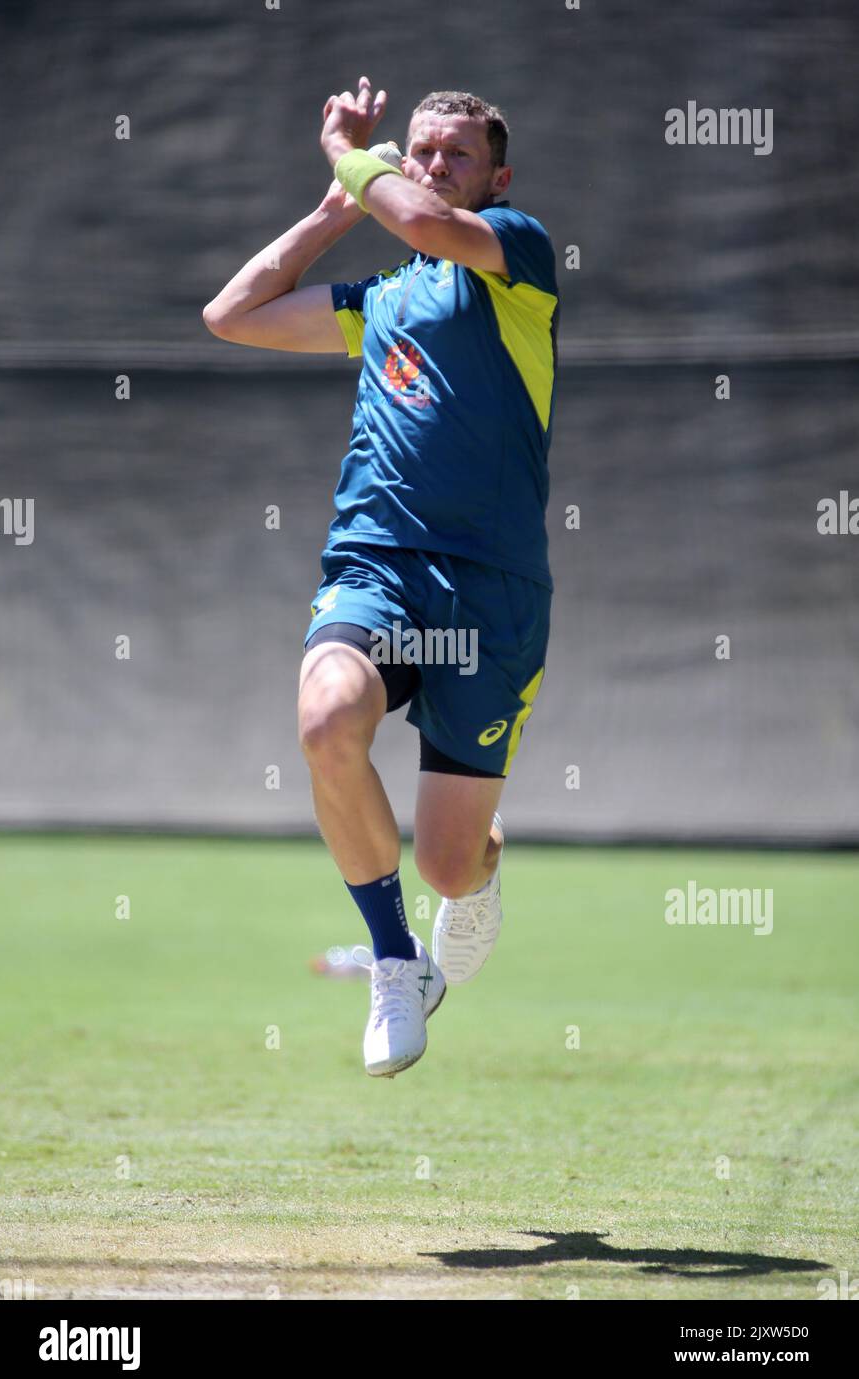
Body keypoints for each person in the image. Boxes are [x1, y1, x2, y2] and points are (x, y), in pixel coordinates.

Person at [203, 78, 559, 1078]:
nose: (436, 166)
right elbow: (231, 313)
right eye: (424, 150)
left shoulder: (517, 255)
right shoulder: (382, 301)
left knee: (448, 859)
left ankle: (478, 873)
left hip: (491, 595)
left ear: (497, 176)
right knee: (326, 721)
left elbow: (414, 216)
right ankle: (395, 961)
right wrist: (331, 207)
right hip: (377, 569)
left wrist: (356, 166)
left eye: (458, 155)